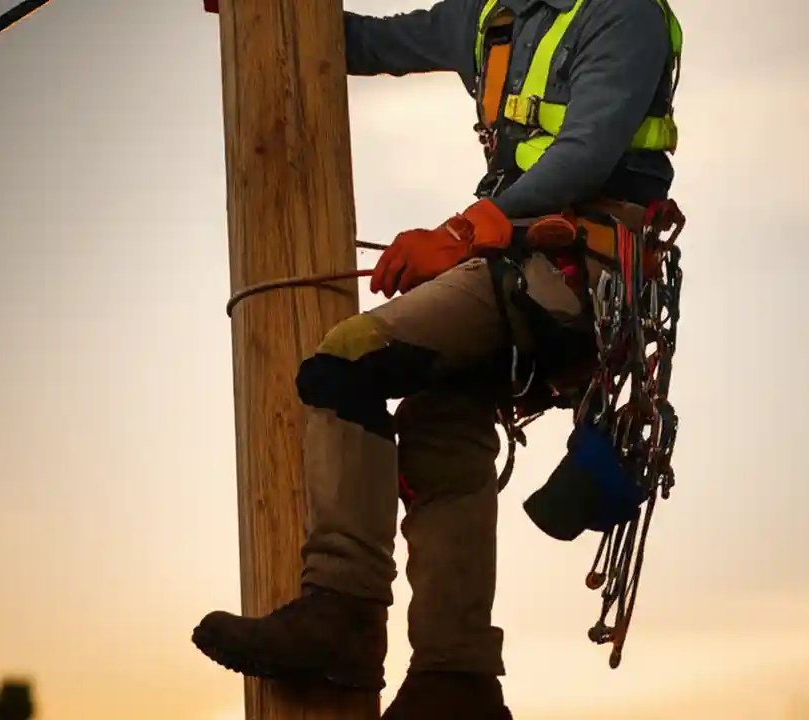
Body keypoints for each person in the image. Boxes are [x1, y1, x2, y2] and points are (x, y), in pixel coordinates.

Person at [191, 0, 681, 717]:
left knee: (347, 361)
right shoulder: (488, 17)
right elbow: (354, 42)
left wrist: (459, 234)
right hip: (521, 261)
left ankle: (343, 612)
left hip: (578, 269)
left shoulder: (620, 12)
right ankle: (458, 680)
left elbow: (587, 150)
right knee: (441, 428)